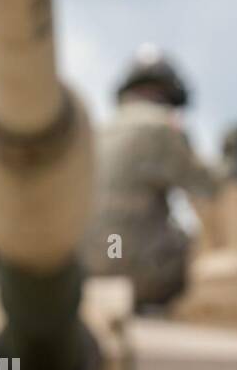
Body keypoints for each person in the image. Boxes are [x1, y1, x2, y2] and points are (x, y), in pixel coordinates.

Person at [84, 44, 219, 309]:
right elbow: (210, 188)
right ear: (168, 95)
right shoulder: (161, 126)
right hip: (138, 276)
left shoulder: (99, 131)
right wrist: (232, 159)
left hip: (87, 276)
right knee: (204, 250)